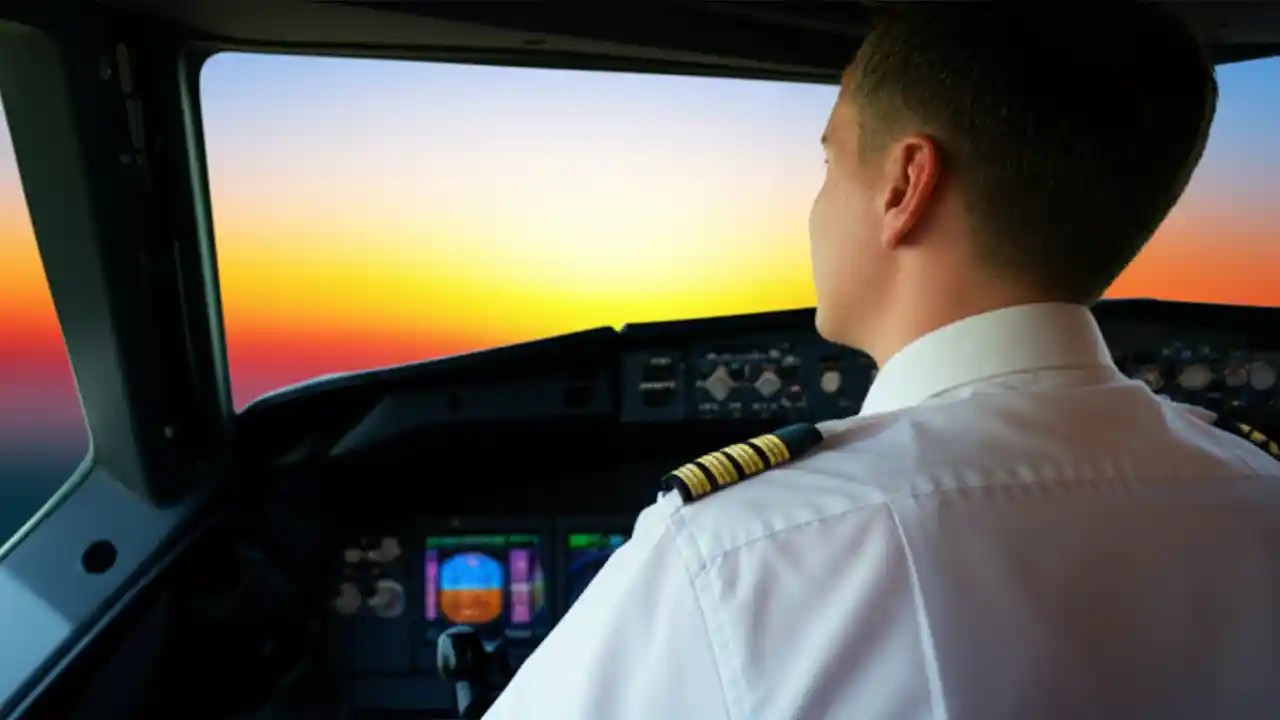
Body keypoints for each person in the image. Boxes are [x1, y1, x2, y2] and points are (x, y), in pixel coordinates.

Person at [484, 4, 1280, 719]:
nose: (816, 205)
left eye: (830, 162)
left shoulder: (736, 555)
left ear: (905, 185)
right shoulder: (1263, 493)